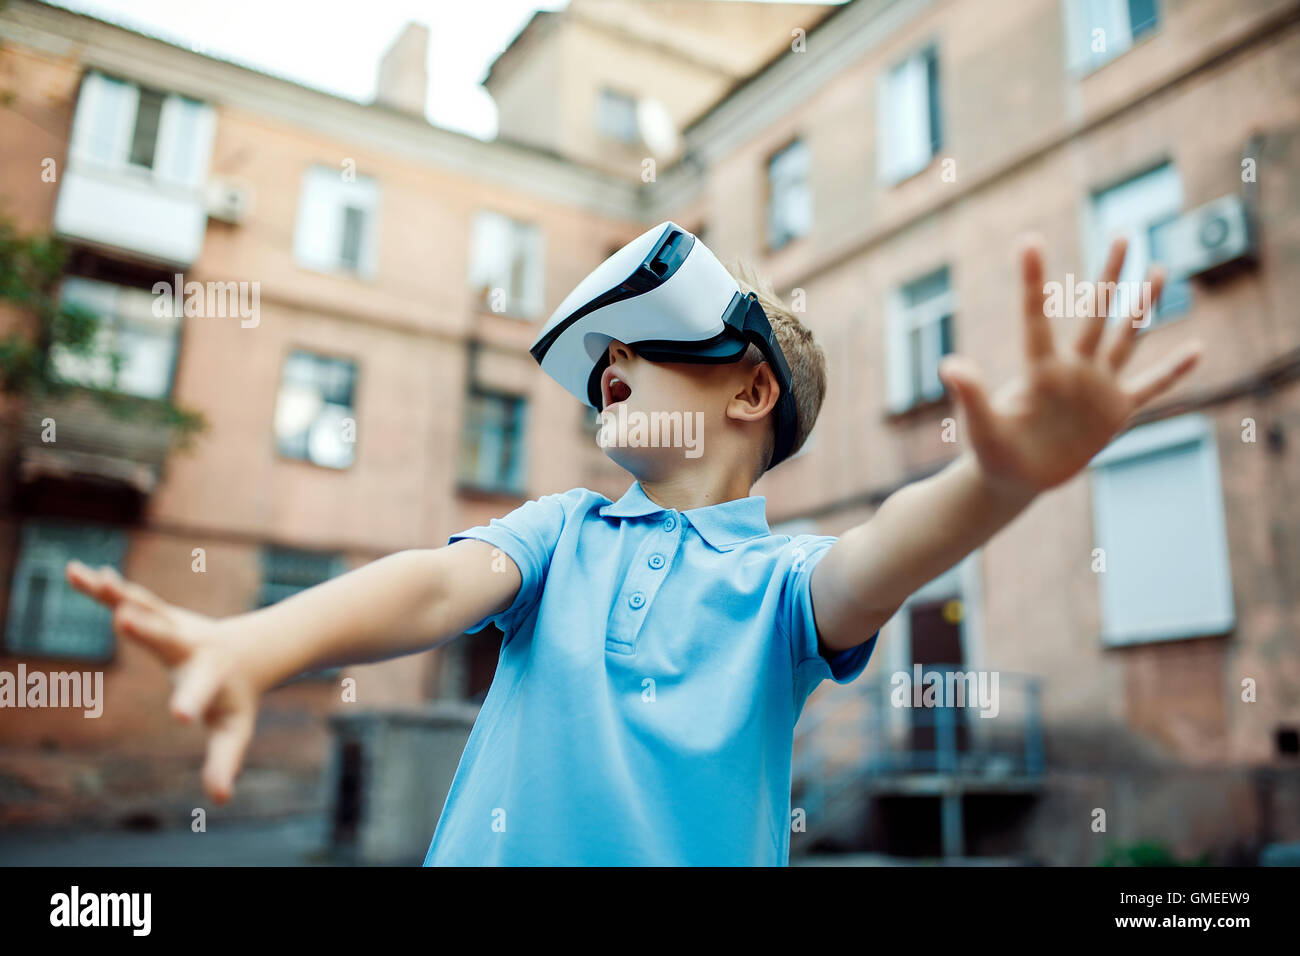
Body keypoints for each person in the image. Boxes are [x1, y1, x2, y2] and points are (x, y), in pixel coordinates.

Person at [66, 235, 1200, 865]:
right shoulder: (562, 529)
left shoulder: (780, 588)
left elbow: (884, 554)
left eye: (642, 351)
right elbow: (432, 582)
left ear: (751, 387)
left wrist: (1000, 476)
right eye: (600, 359)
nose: (609, 364)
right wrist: (256, 641)